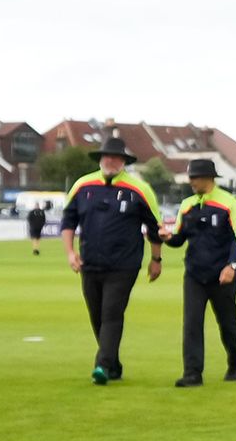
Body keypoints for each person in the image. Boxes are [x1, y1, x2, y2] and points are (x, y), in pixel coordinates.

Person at [60, 136, 163, 385]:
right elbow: (68, 222)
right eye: (107, 156)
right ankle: (113, 364)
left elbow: (154, 228)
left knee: (111, 313)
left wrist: (156, 259)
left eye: (116, 157)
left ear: (124, 162)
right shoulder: (82, 186)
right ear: (100, 159)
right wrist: (70, 253)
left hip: (123, 264)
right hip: (90, 263)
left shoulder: (140, 189)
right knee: (97, 315)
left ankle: (102, 366)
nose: (111, 160)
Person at [162, 159, 236, 387]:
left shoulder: (228, 203)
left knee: (227, 323)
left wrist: (232, 266)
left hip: (222, 274)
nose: (191, 182)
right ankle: (192, 373)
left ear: (208, 178)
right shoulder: (187, 205)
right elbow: (179, 239)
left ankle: (235, 363)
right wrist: (168, 238)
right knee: (192, 324)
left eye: (194, 178)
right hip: (194, 274)